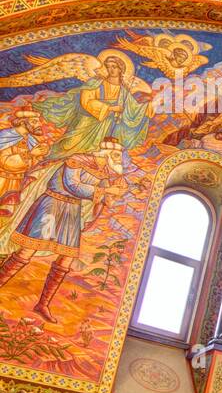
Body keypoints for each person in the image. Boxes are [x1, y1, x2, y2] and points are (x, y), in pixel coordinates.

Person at [0, 137, 127, 321]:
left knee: (67, 258)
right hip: (52, 204)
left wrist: (112, 194)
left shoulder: (105, 172)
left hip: (71, 212)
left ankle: (42, 304)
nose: (119, 160)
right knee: (28, 249)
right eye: (116, 155)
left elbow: (104, 199)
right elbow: (72, 185)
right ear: (105, 153)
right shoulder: (76, 160)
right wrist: (104, 192)